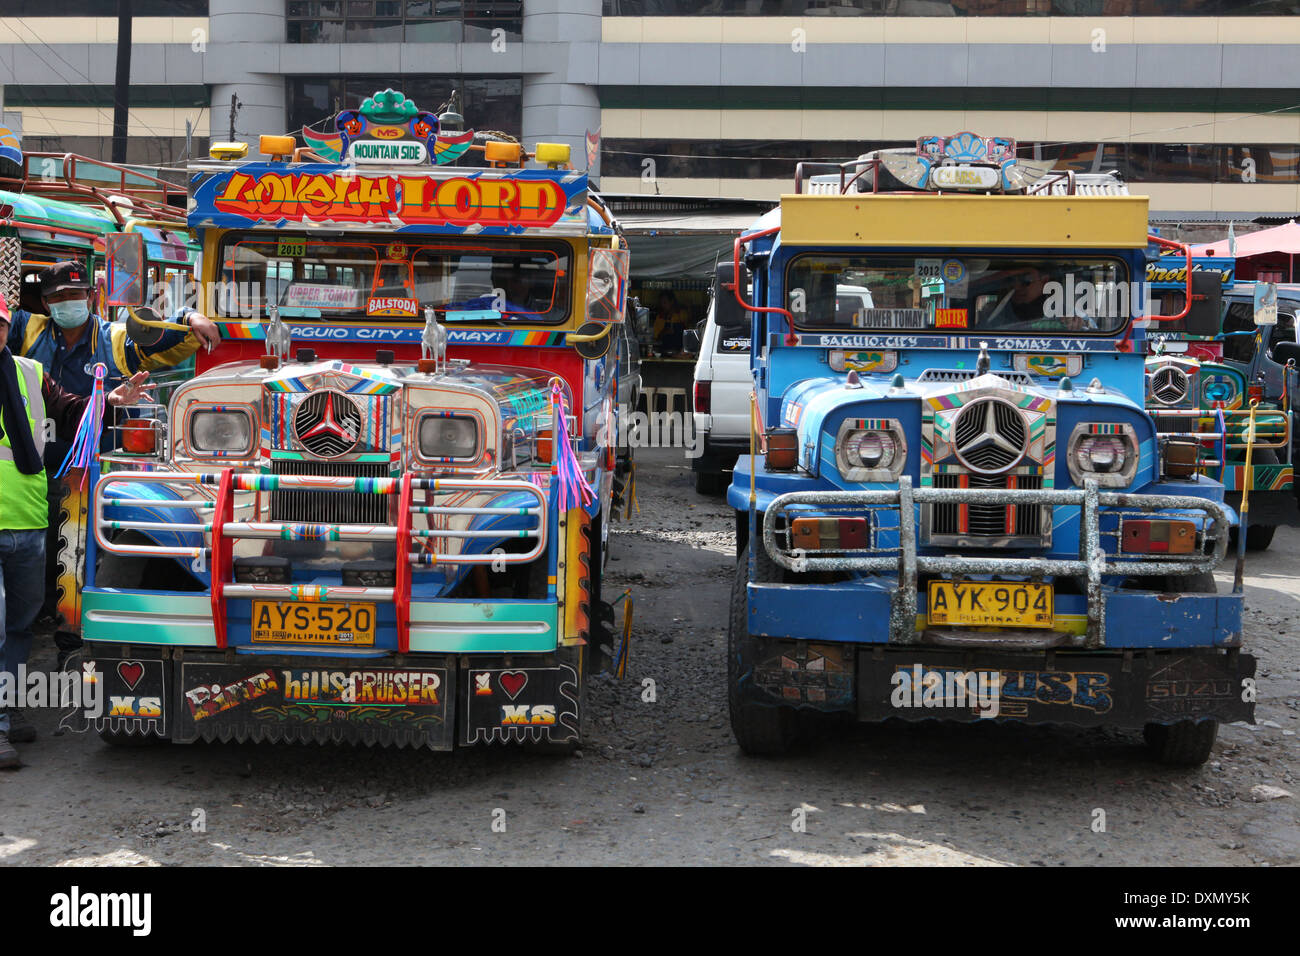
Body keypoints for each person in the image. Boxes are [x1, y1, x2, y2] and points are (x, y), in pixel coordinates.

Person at [8, 261, 219, 655]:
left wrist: (190, 315)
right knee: (32, 558)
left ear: (90, 296)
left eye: (75, 294)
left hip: (88, 474)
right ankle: (38, 621)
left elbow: (160, 338)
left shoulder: (115, 339)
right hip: (32, 472)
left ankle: (70, 642)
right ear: (45, 302)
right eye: (57, 297)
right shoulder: (29, 330)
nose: (67, 302)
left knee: (75, 555)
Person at [0, 293, 151, 768]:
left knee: (21, 626)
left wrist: (111, 400)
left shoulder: (27, 371)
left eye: (0, 324)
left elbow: (71, 410)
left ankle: (7, 708)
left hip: (27, 522)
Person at [653, 291, 688, 356]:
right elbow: (656, 338)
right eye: (661, 303)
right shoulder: (660, 317)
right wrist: (665, 332)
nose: (663, 305)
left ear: (672, 302)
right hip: (664, 352)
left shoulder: (682, 314)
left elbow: (689, 333)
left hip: (680, 353)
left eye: (665, 303)